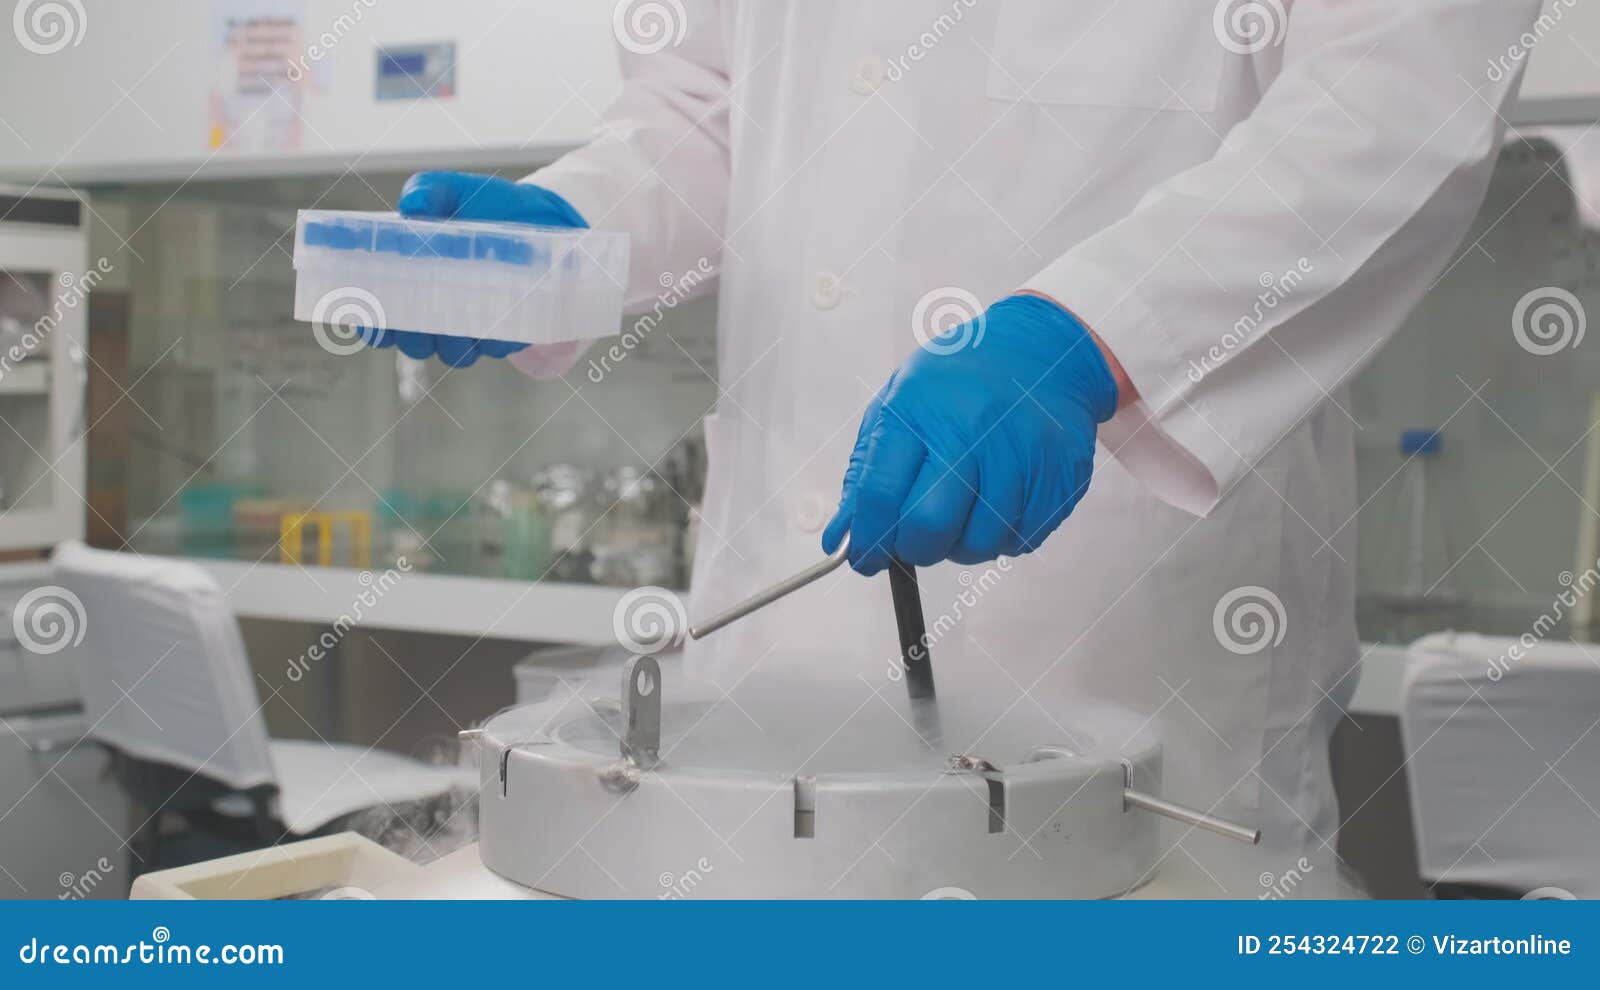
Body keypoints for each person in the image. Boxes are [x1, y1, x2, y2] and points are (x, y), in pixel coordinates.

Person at [362, 2, 1543, 895]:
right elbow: (708, 106)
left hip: (1133, 654)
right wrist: (579, 232)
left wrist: (1094, 334)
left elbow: (1398, 94)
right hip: (771, 649)